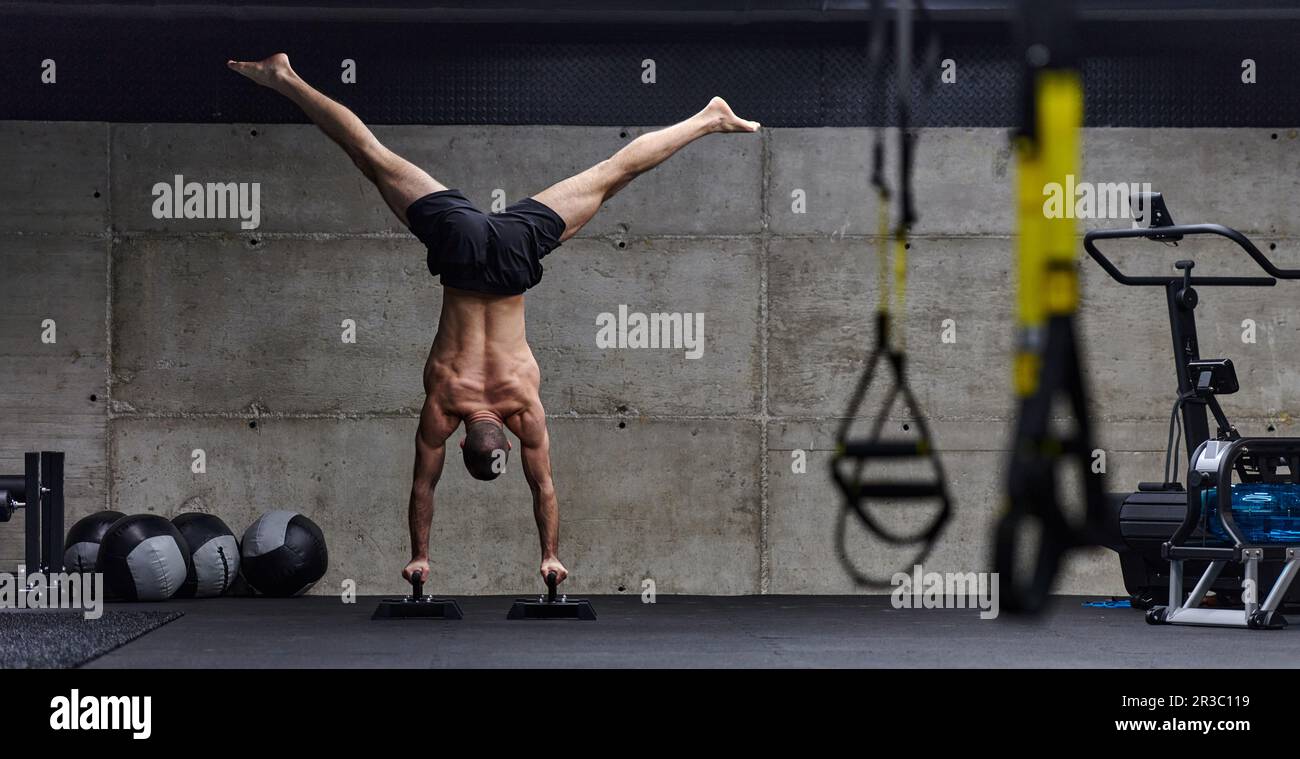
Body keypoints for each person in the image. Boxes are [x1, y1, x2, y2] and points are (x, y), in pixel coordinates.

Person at [228, 53, 760, 587]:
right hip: (460, 250)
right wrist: (420, 558)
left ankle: (707, 119)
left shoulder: (523, 407)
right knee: (369, 156)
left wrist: (552, 555)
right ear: (464, 442)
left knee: (611, 176)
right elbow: (423, 488)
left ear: (503, 436)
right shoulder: (445, 405)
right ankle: (287, 78)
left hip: (512, 257)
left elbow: (543, 487)